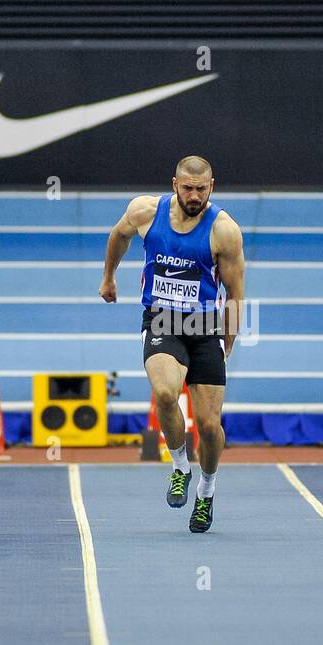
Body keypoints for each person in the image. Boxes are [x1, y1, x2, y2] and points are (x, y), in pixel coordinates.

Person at [99, 155, 245, 533]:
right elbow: (118, 235)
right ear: (174, 185)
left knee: (210, 426)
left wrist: (228, 340)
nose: (194, 196)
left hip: (205, 326)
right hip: (162, 319)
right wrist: (109, 278)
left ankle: (206, 491)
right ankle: (180, 466)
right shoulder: (145, 211)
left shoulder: (224, 231)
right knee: (165, 393)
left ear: (211, 187)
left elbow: (235, 293)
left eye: (201, 189)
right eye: (187, 188)